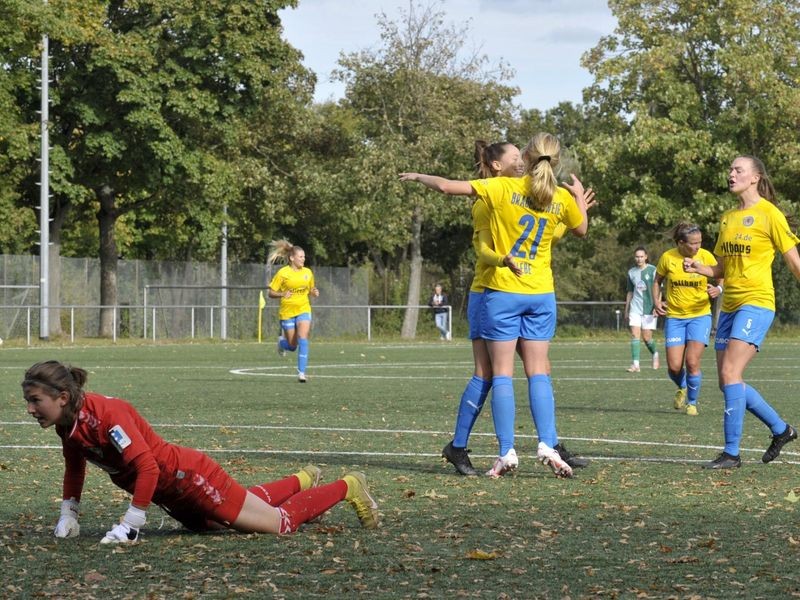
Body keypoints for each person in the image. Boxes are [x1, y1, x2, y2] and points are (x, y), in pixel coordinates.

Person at [401, 132, 590, 479]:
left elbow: (544, 233)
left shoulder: (514, 191)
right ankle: (472, 446)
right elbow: (485, 250)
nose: (519, 159)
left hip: (509, 292)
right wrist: (575, 206)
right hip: (491, 289)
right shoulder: (490, 198)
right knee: (489, 374)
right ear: (496, 165)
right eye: (513, 155)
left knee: (524, 371)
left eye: (522, 154)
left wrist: (419, 177)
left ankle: (532, 446)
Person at [23, 360, 378, 544]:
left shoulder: (105, 416)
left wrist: (131, 524)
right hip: (171, 494)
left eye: (35, 401)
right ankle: (301, 480)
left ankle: (348, 486)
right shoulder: (68, 423)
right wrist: (68, 513)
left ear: (62, 397)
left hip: (190, 479)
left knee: (277, 525)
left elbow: (147, 467)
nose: (30, 409)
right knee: (228, 515)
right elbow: (74, 467)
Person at [684, 155, 799, 469]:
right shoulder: (727, 218)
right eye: (730, 169)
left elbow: (793, 261)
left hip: (757, 303)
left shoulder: (769, 214)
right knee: (727, 381)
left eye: (738, 170)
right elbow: (720, 268)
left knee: (732, 375)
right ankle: (781, 429)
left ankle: (731, 454)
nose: (730, 174)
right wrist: (698, 268)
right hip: (730, 306)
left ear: (755, 177)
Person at [653, 223, 722, 416]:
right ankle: (683, 386)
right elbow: (657, 280)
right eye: (693, 243)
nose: (698, 246)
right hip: (675, 317)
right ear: (681, 243)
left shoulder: (705, 256)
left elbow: (720, 275)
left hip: (700, 316)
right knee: (674, 367)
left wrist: (719, 289)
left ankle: (692, 402)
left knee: (692, 362)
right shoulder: (668, 257)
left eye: (700, 242)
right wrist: (656, 301)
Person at [267, 240, 319, 383]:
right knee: (292, 346)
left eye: (304, 257)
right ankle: (281, 344)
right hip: (287, 312)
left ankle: (301, 373)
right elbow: (271, 293)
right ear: (292, 258)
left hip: (303, 309)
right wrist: (282, 294)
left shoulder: (308, 273)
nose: (303, 259)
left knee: (303, 338)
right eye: (300, 257)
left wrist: (313, 292)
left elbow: (310, 289)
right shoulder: (283, 273)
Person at [624, 246, 660, 372]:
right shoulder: (631, 272)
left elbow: (658, 289)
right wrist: (627, 309)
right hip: (635, 308)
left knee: (647, 338)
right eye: (637, 257)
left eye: (641, 256)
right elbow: (629, 292)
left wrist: (657, 305)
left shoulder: (653, 270)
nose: (639, 259)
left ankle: (655, 353)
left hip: (650, 308)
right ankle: (636, 365)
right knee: (635, 335)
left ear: (646, 257)